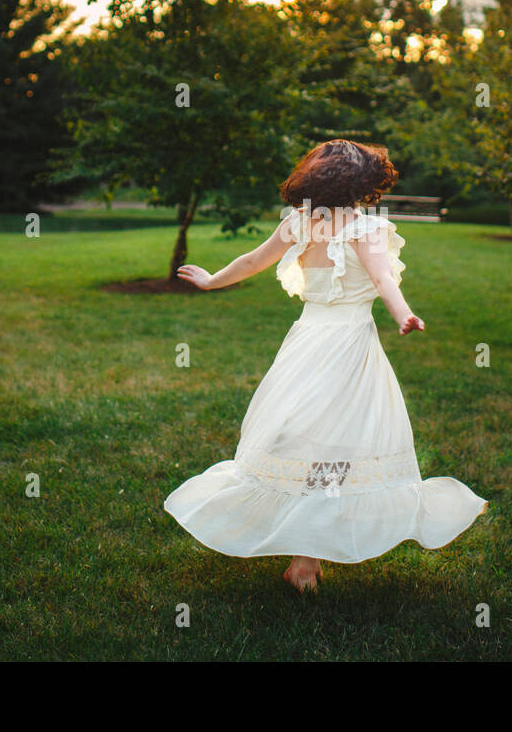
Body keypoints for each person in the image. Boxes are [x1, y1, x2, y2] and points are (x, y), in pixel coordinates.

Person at [164, 139, 487, 592]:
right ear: (363, 185)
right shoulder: (364, 230)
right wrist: (403, 313)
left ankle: (306, 557)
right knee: (333, 445)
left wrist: (213, 280)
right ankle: (305, 558)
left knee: (309, 439)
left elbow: (255, 261)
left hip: (308, 342)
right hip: (345, 346)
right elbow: (382, 279)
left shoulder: (300, 222)